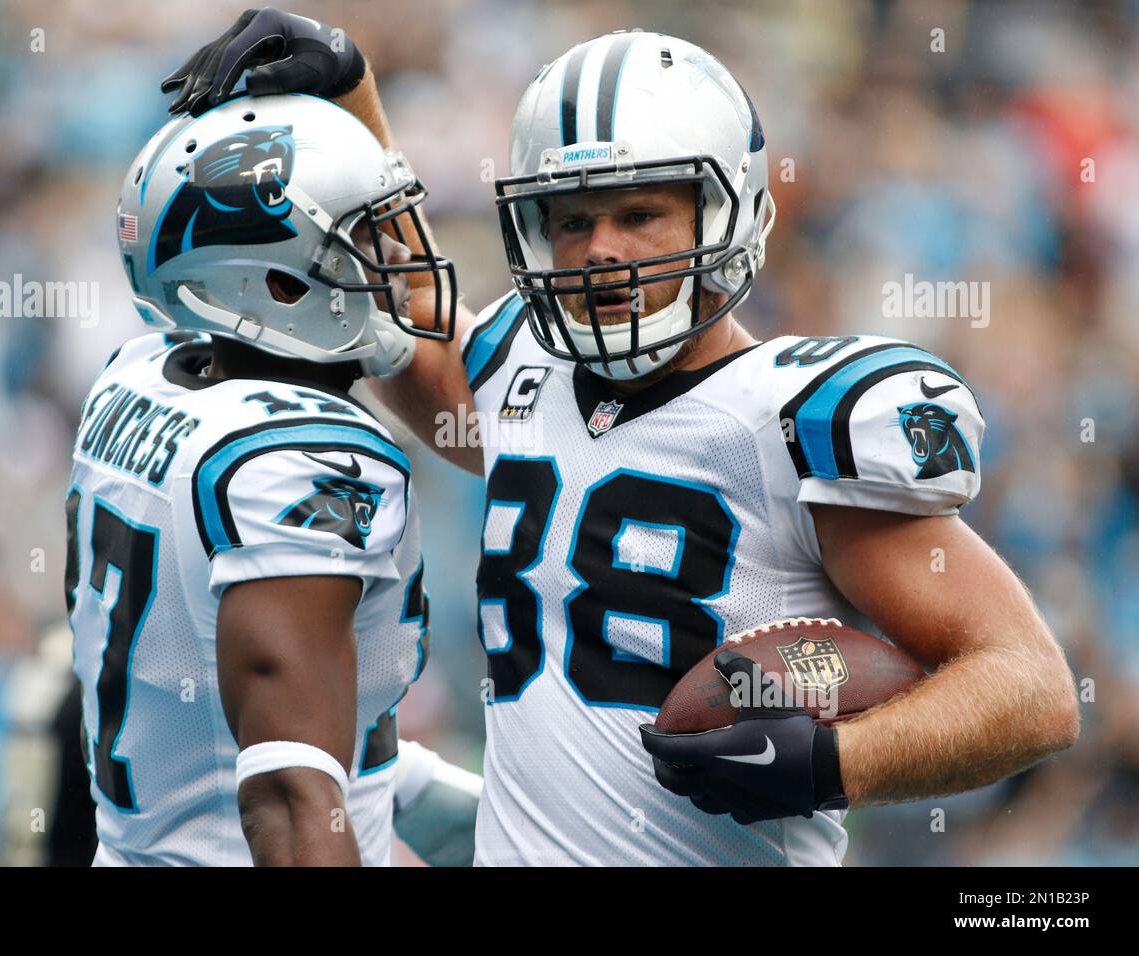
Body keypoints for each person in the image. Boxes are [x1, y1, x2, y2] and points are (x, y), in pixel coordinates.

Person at [164, 9, 1080, 865]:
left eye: (640, 214)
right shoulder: (523, 374)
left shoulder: (790, 419)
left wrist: (837, 763)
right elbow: (396, 288)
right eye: (572, 220)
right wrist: (350, 89)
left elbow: (1030, 688)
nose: (600, 248)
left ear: (726, 215)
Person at [65, 89, 477, 865]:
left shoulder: (139, 373)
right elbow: (290, 801)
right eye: (363, 240)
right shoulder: (303, 463)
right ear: (279, 284)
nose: (394, 262)